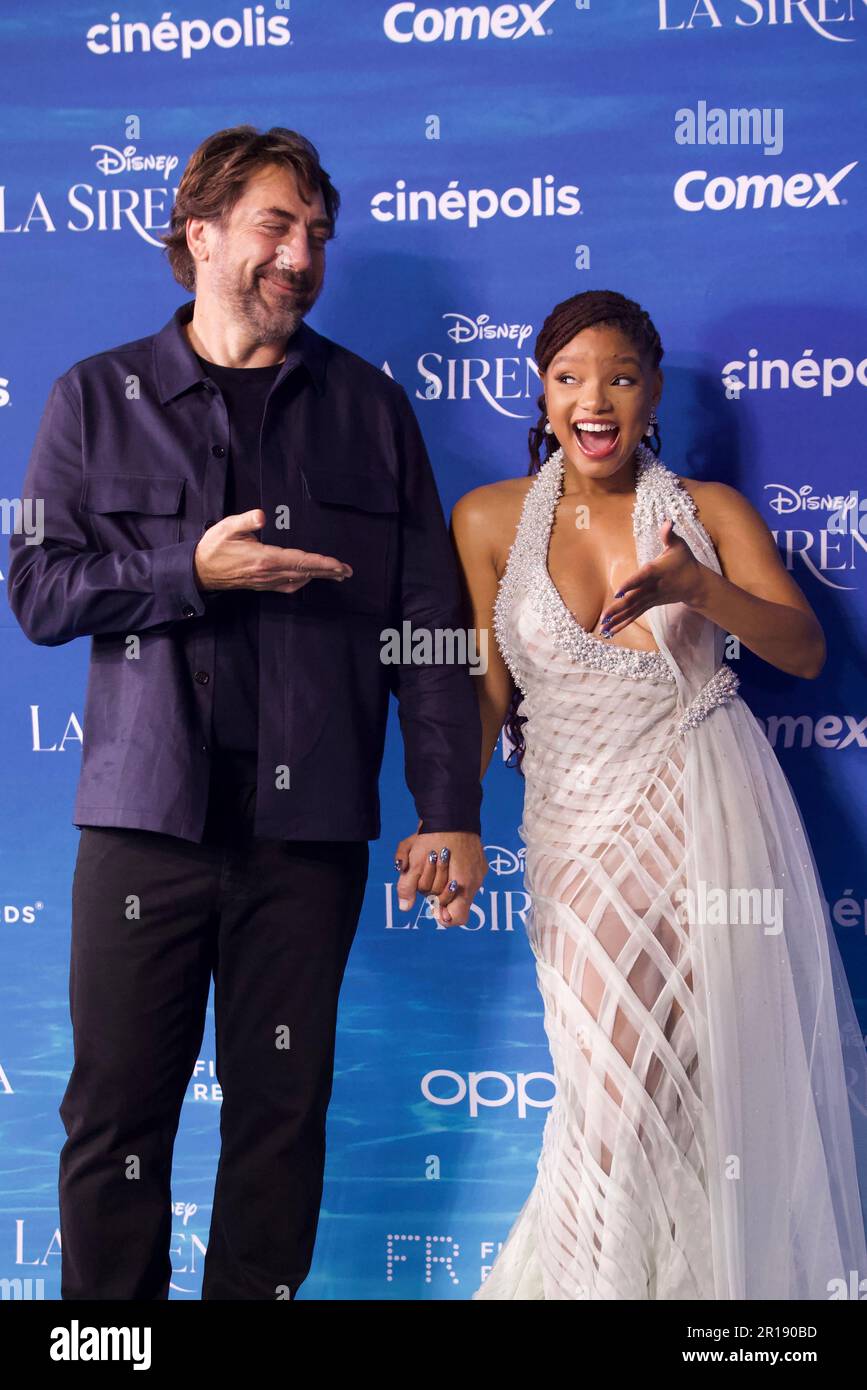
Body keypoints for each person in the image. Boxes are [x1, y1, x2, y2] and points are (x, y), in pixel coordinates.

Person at [7, 124, 487, 1300]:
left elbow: (427, 626)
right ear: (201, 231)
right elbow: (37, 588)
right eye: (277, 225)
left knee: (282, 1118)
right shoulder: (92, 397)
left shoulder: (369, 410)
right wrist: (191, 572)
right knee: (116, 1113)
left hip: (305, 835)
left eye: (317, 234)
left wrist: (450, 807)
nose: (301, 254)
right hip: (144, 825)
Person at [404, 288, 867, 1299]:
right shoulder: (486, 519)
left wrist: (699, 590)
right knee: (608, 1097)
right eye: (570, 377)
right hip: (574, 831)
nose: (594, 398)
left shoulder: (707, 513)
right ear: (542, 391)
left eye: (618, 376)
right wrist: (451, 819)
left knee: (707, 1096)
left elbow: (802, 646)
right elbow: (485, 685)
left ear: (652, 393)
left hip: (708, 819)